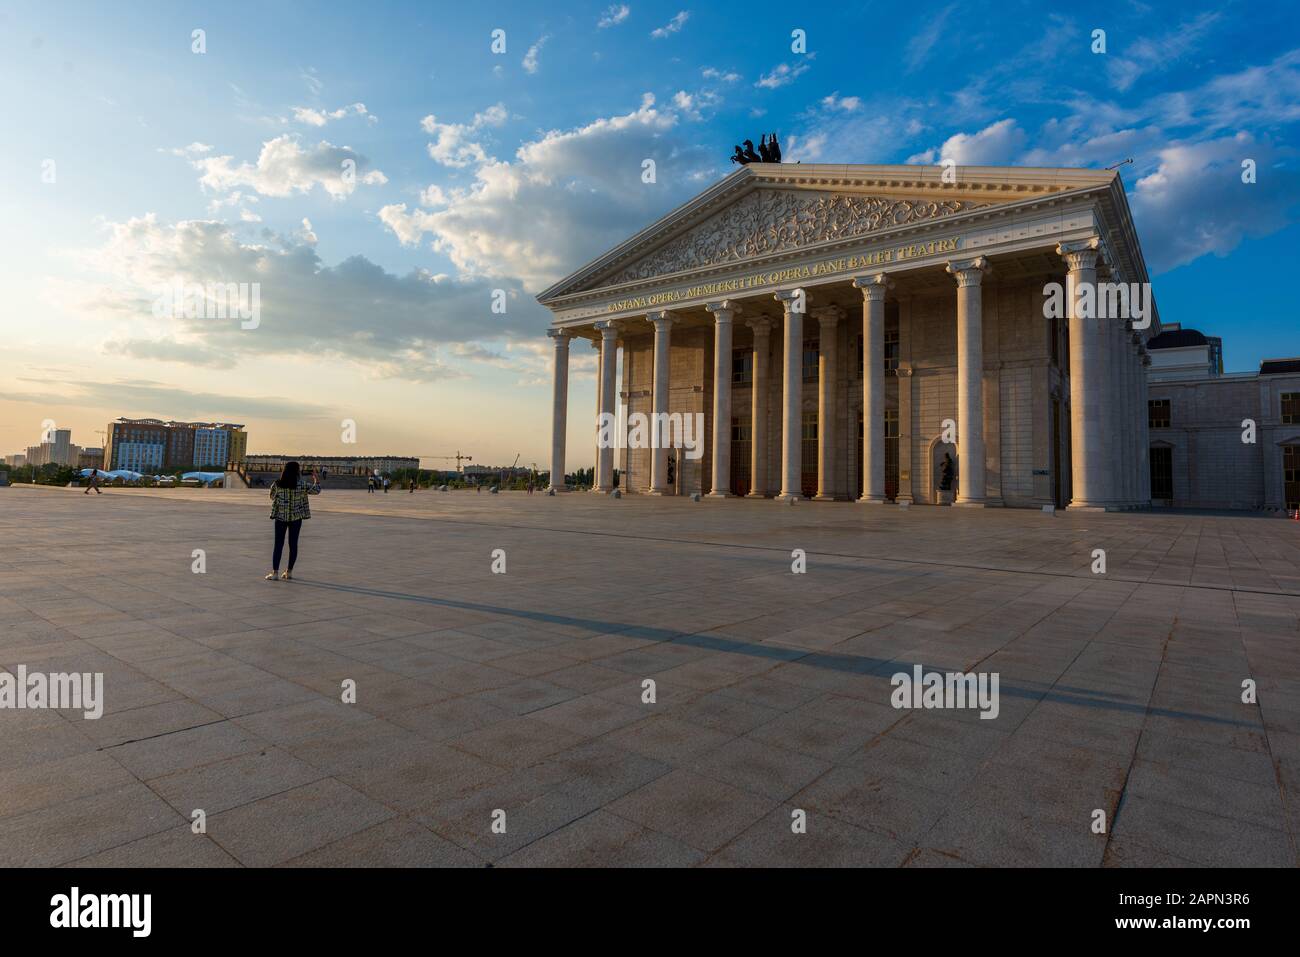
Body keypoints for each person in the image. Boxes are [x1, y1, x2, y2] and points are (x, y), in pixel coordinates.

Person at [265, 461, 319, 581]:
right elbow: (317, 490)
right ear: (297, 471)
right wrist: (316, 478)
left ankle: (275, 573)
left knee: (278, 545)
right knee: (293, 545)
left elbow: (272, 496)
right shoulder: (301, 484)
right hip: (296, 519)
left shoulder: (277, 484)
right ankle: (289, 572)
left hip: (280, 518)